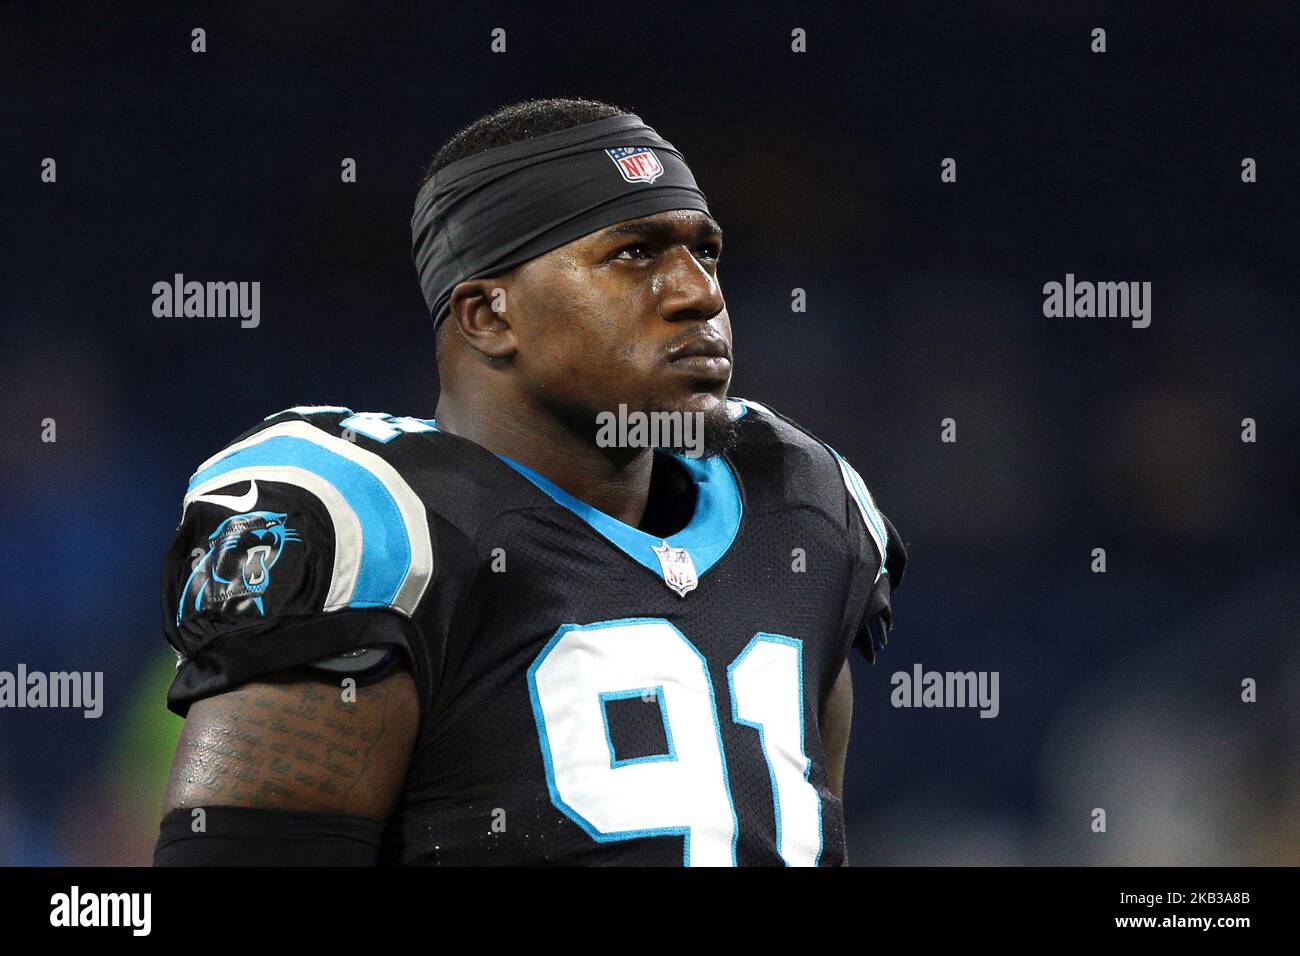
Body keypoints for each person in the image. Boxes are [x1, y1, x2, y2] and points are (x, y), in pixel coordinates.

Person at [153, 97, 906, 866]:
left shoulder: (798, 512)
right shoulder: (384, 533)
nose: (699, 293)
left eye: (705, 253)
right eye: (635, 254)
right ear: (487, 316)